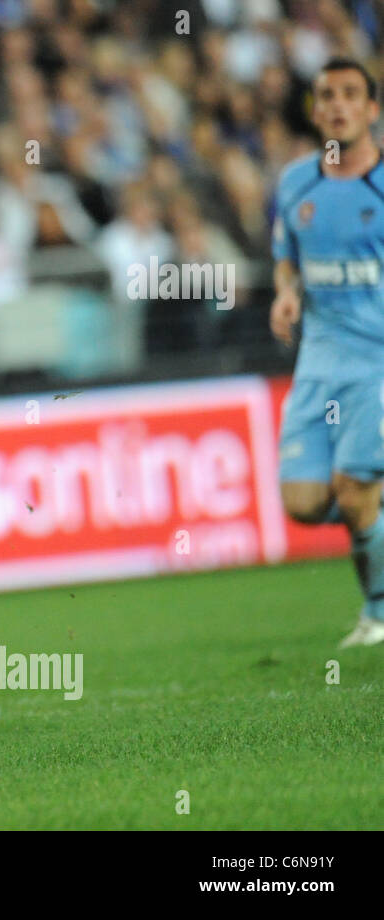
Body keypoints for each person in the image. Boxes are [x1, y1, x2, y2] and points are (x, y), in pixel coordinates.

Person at [270, 57, 384, 648]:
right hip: (318, 364)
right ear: (315, 111)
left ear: (372, 110)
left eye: (350, 94)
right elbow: (286, 257)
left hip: (376, 366)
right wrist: (287, 294)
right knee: (306, 503)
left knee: (354, 487)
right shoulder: (295, 183)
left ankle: (378, 614)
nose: (337, 104)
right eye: (326, 95)